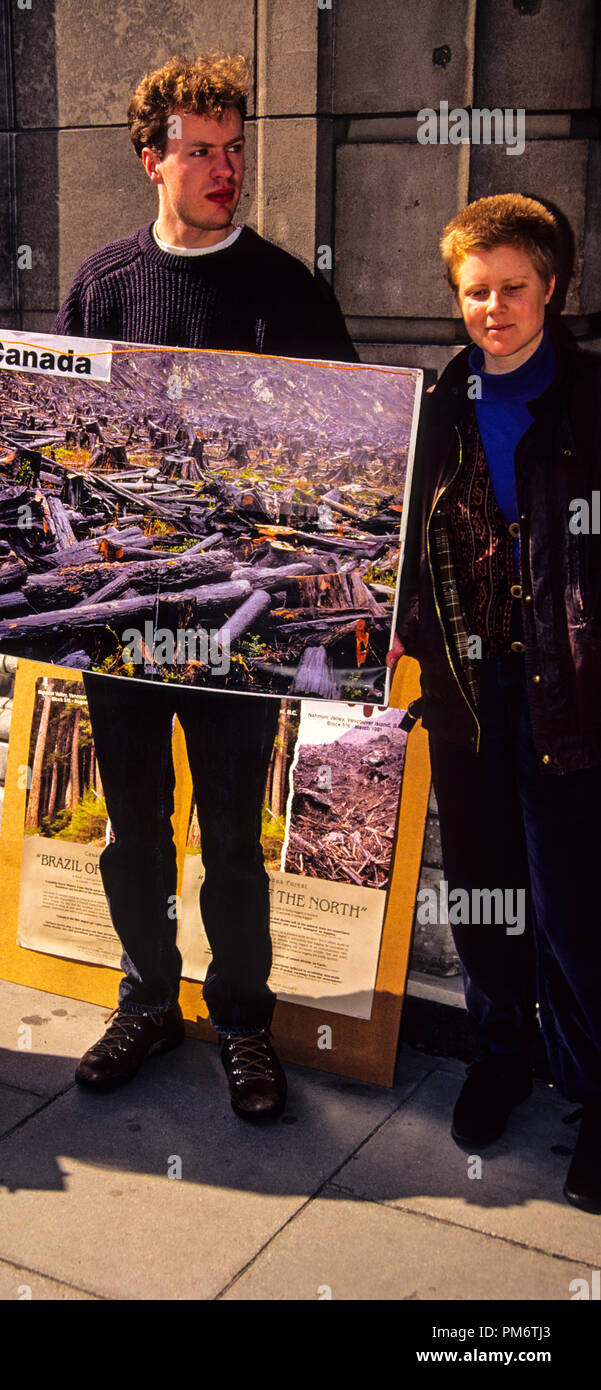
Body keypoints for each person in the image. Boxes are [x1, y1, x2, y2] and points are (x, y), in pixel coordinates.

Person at [46, 53, 357, 1121]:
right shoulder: (100, 286)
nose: (225, 169)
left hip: (240, 626)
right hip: (132, 619)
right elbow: (38, 450)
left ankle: (241, 1019)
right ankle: (146, 998)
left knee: (230, 834)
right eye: (201, 151)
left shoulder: (290, 291)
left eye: (234, 150)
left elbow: (350, 442)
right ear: (152, 162)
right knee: (134, 828)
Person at [391, 194, 601, 1210]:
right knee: (484, 888)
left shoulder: (593, 401)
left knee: (578, 902)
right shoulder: (432, 409)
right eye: (476, 292)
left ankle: (598, 1091)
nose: (495, 309)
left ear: (552, 287)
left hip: (576, 692)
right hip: (468, 692)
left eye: (514, 288)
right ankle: (501, 1053)